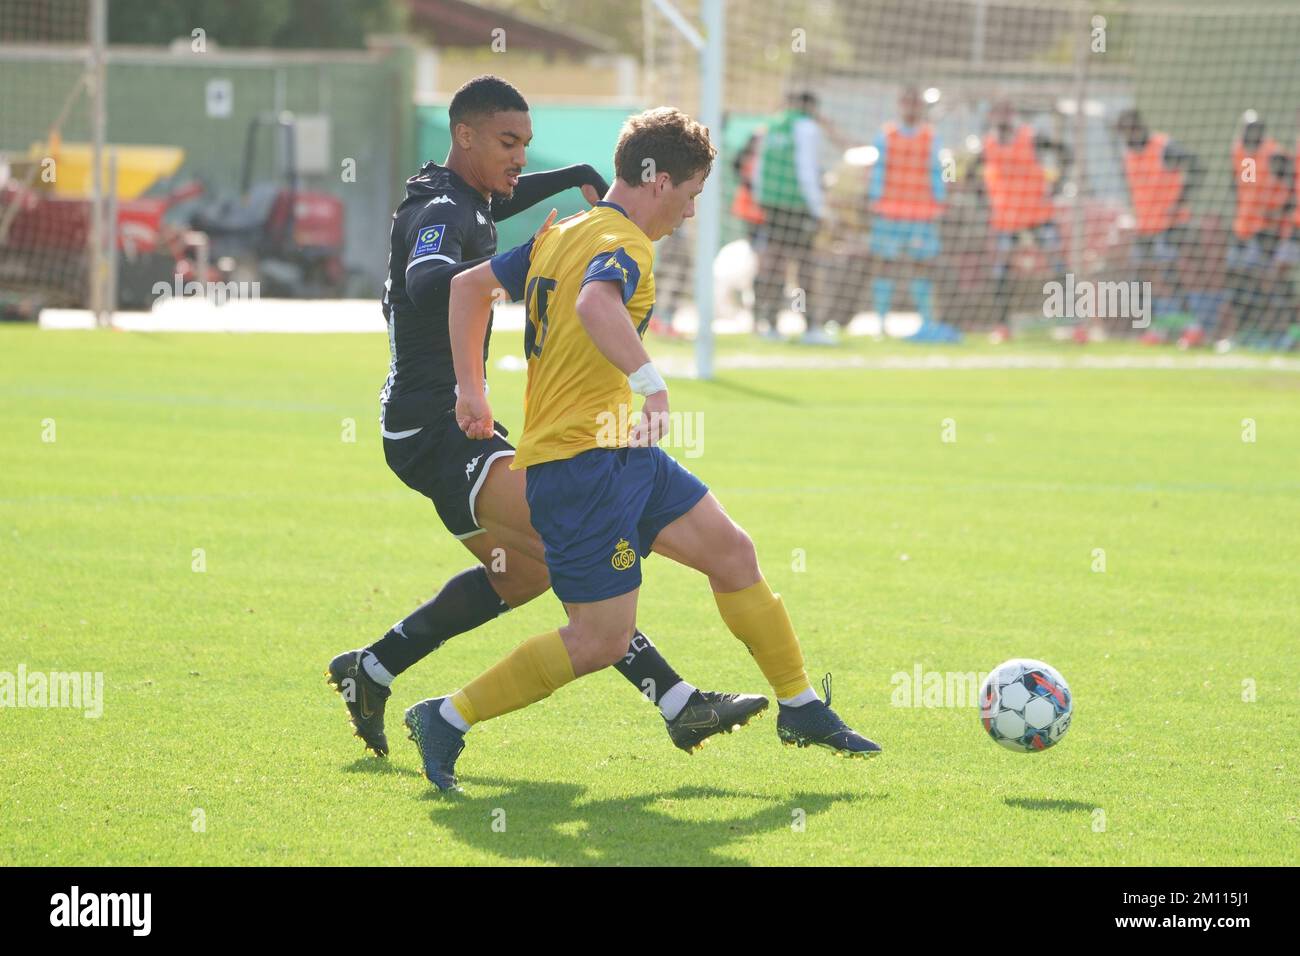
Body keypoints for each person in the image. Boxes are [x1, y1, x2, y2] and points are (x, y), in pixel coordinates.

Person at [403, 106, 880, 792]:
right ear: (657, 182)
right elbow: (598, 305)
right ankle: (447, 716)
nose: (690, 213)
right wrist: (653, 387)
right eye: (689, 196)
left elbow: (468, 288)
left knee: (732, 553)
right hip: (576, 467)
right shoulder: (623, 244)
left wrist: (473, 392)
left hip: (618, 452)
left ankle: (800, 707)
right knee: (598, 640)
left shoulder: (566, 230)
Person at [327, 76, 766, 760]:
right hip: (437, 428)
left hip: (441, 430)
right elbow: (428, 280)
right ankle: (678, 702)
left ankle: (372, 667)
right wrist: (514, 283)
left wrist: (572, 178)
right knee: (576, 538)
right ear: (464, 135)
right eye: (508, 142)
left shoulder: (467, 200)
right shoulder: (445, 211)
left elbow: (492, 213)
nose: (520, 158)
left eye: (527, 144)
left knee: (524, 574)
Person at [867, 86, 960, 343]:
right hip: (889, 212)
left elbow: (938, 170)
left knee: (922, 268)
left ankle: (927, 322)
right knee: (886, 265)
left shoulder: (931, 136)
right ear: (899, 104)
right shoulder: (886, 134)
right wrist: (874, 199)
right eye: (906, 102)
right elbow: (878, 170)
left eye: (914, 102)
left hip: (921, 212)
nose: (910, 107)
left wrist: (941, 200)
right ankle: (881, 324)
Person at [971, 99, 1070, 325]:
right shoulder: (986, 145)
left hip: (1038, 215)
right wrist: (978, 198)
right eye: (998, 113)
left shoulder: (1032, 138)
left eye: (1006, 112)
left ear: (1013, 114)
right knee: (1001, 270)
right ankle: (1002, 324)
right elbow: (960, 170)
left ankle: (1071, 320)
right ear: (991, 117)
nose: (1002, 118)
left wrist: (1059, 184)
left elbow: (1066, 151)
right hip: (1006, 219)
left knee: (1058, 264)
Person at [752, 91, 835, 344]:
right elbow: (806, 169)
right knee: (805, 267)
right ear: (810, 107)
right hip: (797, 204)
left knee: (773, 264)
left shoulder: (772, 124)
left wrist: (761, 199)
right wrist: (821, 210)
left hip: (771, 203)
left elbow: (759, 167)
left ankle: (769, 325)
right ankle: (811, 328)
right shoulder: (806, 127)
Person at [1115, 108, 1203, 320]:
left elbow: (1198, 167)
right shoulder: (1127, 155)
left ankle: (1190, 323)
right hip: (1145, 226)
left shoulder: (1164, 147)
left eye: (1129, 131)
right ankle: (1152, 324)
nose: (1127, 137)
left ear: (1138, 128)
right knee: (1138, 278)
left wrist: (1179, 202)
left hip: (1171, 225)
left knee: (1169, 272)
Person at [1222, 118, 1294, 342]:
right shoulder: (1243, 155)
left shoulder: (1275, 155)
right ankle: (1249, 327)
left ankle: (1281, 328)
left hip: (1267, 230)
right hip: (1243, 228)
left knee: (1269, 279)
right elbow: (1244, 187)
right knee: (1237, 276)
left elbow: (1293, 190)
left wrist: (1279, 211)